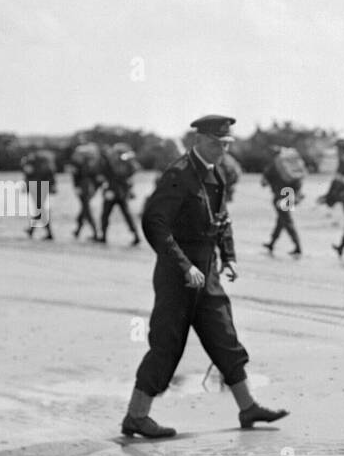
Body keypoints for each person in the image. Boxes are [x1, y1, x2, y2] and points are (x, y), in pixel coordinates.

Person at [122, 114, 290, 438]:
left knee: (224, 335)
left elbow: (222, 220)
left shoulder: (217, 175)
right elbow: (154, 223)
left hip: (208, 270)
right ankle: (136, 416)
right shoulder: (179, 174)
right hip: (177, 273)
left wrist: (229, 257)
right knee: (166, 344)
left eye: (226, 144)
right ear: (197, 140)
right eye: (215, 143)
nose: (221, 150)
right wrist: (185, 266)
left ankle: (248, 407)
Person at [260, 144, 303, 255]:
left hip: (280, 196)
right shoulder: (289, 163)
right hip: (289, 194)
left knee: (286, 220)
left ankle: (298, 246)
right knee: (281, 220)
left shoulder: (273, 166)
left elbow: (263, 183)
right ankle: (272, 243)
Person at [98, 142, 141, 245]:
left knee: (105, 214)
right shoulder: (127, 162)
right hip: (122, 191)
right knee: (127, 214)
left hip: (111, 190)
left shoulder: (111, 162)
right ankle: (136, 235)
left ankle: (103, 236)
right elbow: (134, 171)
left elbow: (104, 174)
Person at [70, 138, 105, 240]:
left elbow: (76, 175)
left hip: (83, 187)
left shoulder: (79, 161)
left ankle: (95, 232)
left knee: (86, 209)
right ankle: (78, 230)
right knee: (84, 209)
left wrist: (76, 186)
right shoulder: (95, 161)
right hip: (91, 187)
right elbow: (98, 178)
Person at [21, 149, 58, 240]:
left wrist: (25, 186)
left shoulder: (30, 161)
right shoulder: (46, 162)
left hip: (35, 187)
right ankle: (32, 230)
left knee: (40, 209)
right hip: (45, 187)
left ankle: (49, 233)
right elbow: (51, 174)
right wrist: (53, 185)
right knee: (39, 209)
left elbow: (27, 174)